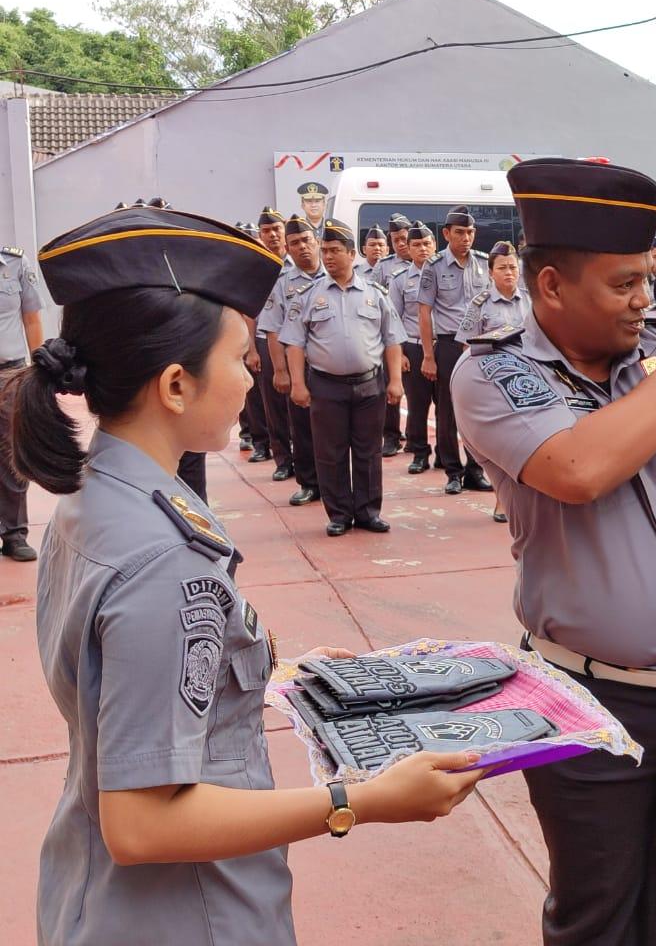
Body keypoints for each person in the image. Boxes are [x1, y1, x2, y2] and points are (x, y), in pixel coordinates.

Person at [11, 203, 482, 946]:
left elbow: (126, 681)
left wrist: (274, 674)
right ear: (174, 385)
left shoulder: (100, 498)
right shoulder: (163, 558)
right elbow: (141, 822)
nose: (251, 371)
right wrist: (357, 799)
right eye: (236, 357)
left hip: (103, 897)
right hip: (186, 914)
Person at [453, 157, 656, 946]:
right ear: (551, 286)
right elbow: (578, 469)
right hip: (591, 704)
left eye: (647, 280)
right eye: (623, 285)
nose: (643, 300)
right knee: (597, 917)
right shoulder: (495, 371)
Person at [280, 220, 406, 537]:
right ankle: (339, 514)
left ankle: (367, 512)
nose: (329, 256)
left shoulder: (375, 294)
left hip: (369, 384)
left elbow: (392, 339)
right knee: (330, 452)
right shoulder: (307, 295)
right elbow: (294, 342)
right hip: (325, 385)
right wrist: (297, 382)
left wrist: (395, 381)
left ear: (352, 254)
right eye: (325, 251)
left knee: (368, 451)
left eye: (336, 250)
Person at [418, 205, 492, 496]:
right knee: (447, 411)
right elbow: (424, 312)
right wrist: (427, 355)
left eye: (470, 232)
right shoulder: (434, 266)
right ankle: (453, 471)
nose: (466, 237)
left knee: (479, 408)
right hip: (448, 344)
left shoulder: (484, 263)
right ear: (446, 233)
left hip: (481, 344)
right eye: (459, 232)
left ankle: (476, 470)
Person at [457, 240, 528, 524]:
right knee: (499, 445)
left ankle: (521, 499)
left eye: (513, 267)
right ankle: (502, 497)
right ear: (491, 272)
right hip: (492, 382)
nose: (509, 273)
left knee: (523, 442)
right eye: (502, 268)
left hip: (525, 381)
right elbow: (467, 347)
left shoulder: (531, 300)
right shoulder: (479, 305)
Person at [258, 215, 326, 507]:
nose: (302, 247)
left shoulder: (338, 275)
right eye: (294, 243)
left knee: (335, 429)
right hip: (300, 366)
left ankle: (336, 484)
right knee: (301, 425)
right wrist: (281, 371)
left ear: (318, 242)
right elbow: (273, 329)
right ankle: (309, 483)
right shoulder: (282, 283)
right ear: (288, 247)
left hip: (334, 366)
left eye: (306, 241)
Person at [0, 241, 47, 561]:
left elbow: (31, 319)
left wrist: (40, 370)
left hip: (10, 374)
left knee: (10, 452)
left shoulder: (14, 264)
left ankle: (14, 533)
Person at [386, 221, 436, 475]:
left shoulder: (446, 272)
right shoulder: (400, 280)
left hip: (445, 345)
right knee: (417, 405)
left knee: (450, 406)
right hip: (414, 347)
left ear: (435, 245)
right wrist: (401, 354)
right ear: (409, 248)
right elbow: (393, 318)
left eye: (427, 243)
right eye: (416, 245)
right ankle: (419, 453)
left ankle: (447, 456)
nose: (422, 249)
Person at [249, 207, 294, 482]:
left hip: (298, 344)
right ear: (261, 235)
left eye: (277, 229)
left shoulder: (299, 265)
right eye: (267, 231)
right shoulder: (257, 267)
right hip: (267, 341)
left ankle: (305, 458)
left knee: (302, 405)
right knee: (273, 404)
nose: (273, 235)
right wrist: (251, 349)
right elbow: (248, 311)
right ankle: (283, 459)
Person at [376, 214, 414, 457]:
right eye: (396, 239)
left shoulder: (429, 262)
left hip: (421, 338)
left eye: (404, 238)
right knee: (392, 388)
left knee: (422, 397)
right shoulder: (384, 267)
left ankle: (415, 438)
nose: (401, 243)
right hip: (394, 340)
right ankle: (390, 437)